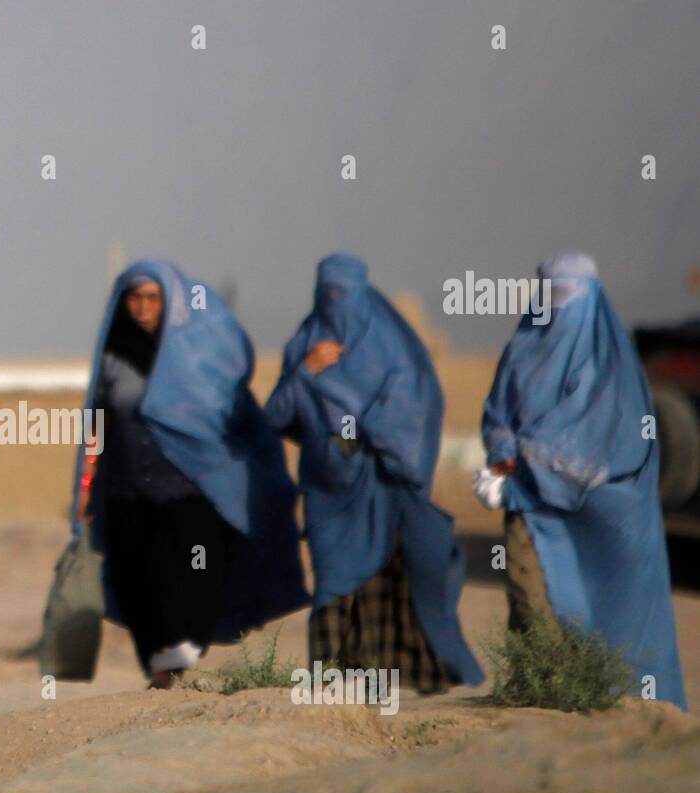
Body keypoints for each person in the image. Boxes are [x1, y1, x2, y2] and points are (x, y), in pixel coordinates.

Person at [73, 260, 308, 688]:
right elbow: (97, 427)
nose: (142, 307)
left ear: (168, 303)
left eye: (151, 298)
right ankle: (162, 662)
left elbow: (224, 418)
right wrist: (87, 485)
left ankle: (175, 661)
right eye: (134, 298)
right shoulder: (113, 359)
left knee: (194, 574)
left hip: (187, 489)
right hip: (125, 488)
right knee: (131, 578)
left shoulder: (195, 359)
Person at [265, 252, 483, 694]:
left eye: (344, 294)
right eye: (328, 294)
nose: (336, 303)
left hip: (383, 481)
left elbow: (414, 410)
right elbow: (275, 414)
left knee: (380, 579)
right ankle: (329, 683)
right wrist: (306, 372)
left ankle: (376, 684)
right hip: (327, 487)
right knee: (330, 579)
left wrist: (371, 436)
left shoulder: (393, 349)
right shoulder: (305, 345)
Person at [479, 252, 687, 710]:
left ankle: (615, 707)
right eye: (549, 293)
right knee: (531, 602)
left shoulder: (612, 366)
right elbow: (497, 413)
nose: (557, 305)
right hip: (530, 502)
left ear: (590, 297)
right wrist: (503, 452)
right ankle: (544, 704)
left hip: (605, 513)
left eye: (567, 294)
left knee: (613, 625)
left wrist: (531, 453)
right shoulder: (522, 348)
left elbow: (611, 441)